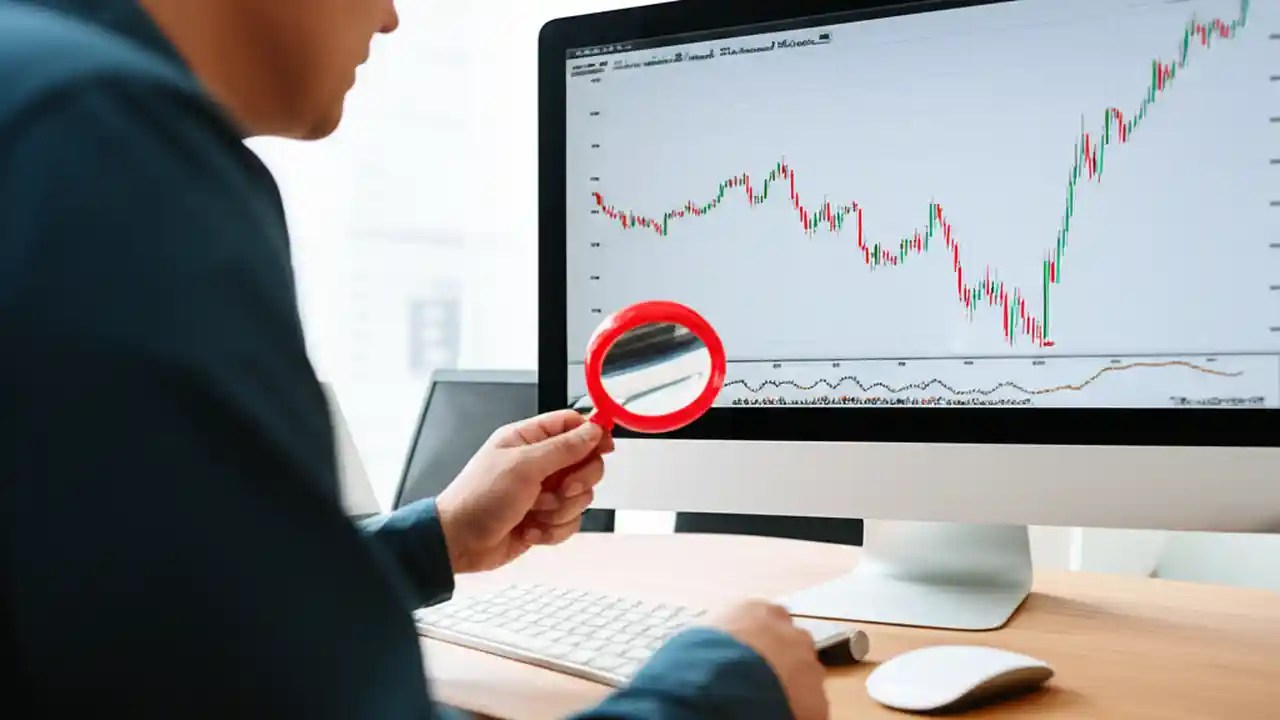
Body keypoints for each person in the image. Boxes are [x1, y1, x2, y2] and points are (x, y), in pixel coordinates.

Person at [0, 1, 831, 718]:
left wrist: (436, 540)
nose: (389, 16)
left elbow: (153, 624)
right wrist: (723, 691)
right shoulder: (98, 138)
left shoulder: (43, 95)